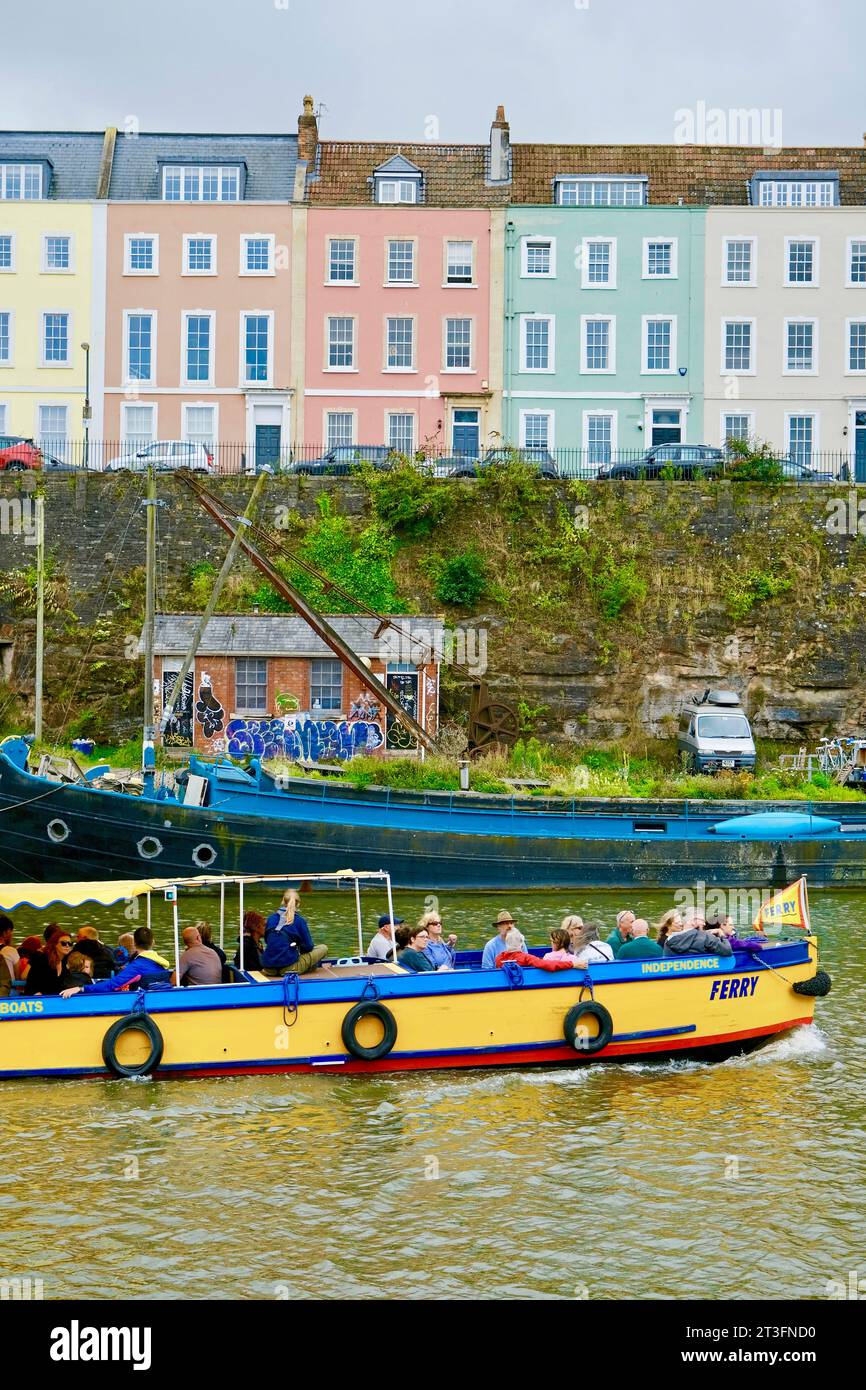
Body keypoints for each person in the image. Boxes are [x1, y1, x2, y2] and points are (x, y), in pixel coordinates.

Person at [60, 927, 172, 997]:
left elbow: (112, 985)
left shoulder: (137, 966)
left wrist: (81, 988)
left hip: (145, 1005)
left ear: (135, 943)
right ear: (153, 943)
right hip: (163, 998)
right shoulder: (162, 963)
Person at [261, 889, 327, 978]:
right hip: (288, 968)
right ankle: (308, 967)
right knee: (323, 948)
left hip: (268, 968)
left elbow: (268, 940)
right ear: (298, 903)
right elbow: (308, 947)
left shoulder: (271, 918)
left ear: (282, 901)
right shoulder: (299, 921)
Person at [496, 928, 576, 972]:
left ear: (506, 943)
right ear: (521, 943)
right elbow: (549, 965)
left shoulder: (499, 959)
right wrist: (572, 964)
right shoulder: (526, 958)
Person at [25, 926, 75, 996]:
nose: (67, 946)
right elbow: (31, 985)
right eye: (63, 943)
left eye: (70, 944)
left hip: (58, 999)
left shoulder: (67, 961)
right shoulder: (41, 959)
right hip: (38, 999)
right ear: (55, 944)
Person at [663, 916, 733, 958]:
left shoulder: (669, 939)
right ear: (693, 921)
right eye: (702, 920)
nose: (704, 923)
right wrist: (721, 935)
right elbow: (727, 951)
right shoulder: (705, 936)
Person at [0, 914, 19, 981]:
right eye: (10, 931)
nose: (12, 934)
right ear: (5, 933)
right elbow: (18, 977)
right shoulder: (10, 951)